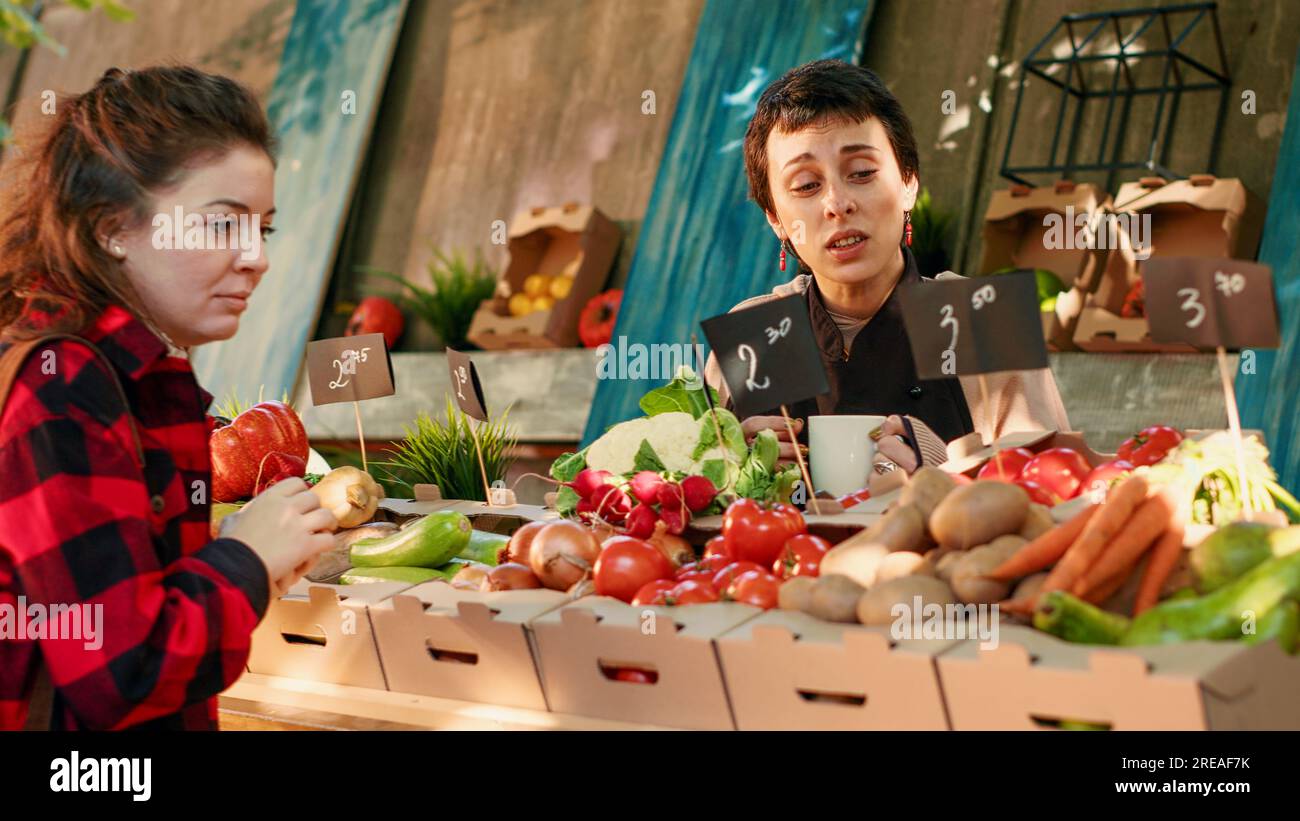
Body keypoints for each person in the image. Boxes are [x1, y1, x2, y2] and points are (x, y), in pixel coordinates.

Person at [0, 66, 336, 730]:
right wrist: (246, 557)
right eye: (221, 226)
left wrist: (246, 561)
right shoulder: (62, 386)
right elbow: (123, 672)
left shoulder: (129, 376)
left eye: (263, 229)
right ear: (112, 228)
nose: (256, 258)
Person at [705, 59, 1069, 475]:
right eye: (806, 185)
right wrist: (730, 473)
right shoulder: (757, 335)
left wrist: (942, 469)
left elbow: (1049, 490)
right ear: (775, 217)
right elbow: (686, 504)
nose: (837, 204)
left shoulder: (978, 318)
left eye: (861, 172)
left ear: (908, 183)